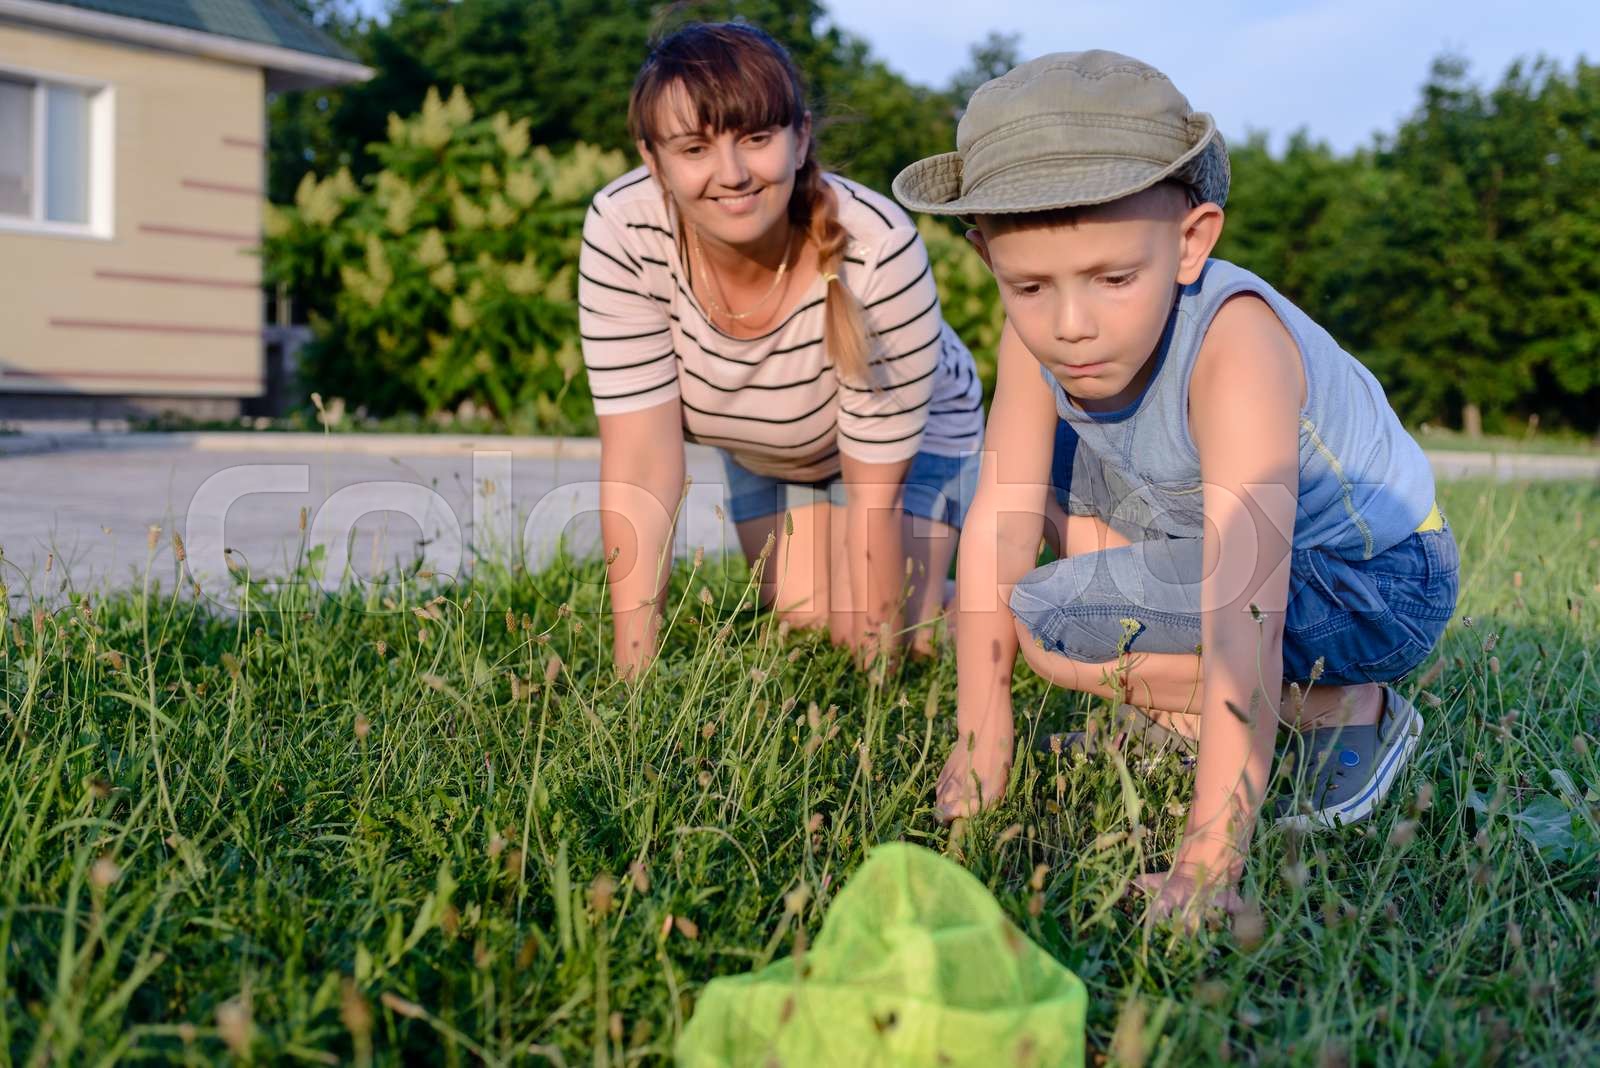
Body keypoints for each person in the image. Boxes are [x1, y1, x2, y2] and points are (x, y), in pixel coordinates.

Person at [892, 51, 1459, 918]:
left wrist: (1209, 861)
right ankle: (1196, 719)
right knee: (1013, 529)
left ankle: (1343, 706)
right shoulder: (1035, 339)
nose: (1071, 325)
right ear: (985, 255)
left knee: (1051, 626)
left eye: (1115, 279)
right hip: (1213, 544)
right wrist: (982, 734)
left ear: (1191, 240)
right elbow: (1001, 526)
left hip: (1373, 584)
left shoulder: (1236, 347)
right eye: (1030, 286)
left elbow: (1249, 608)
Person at [579, 22, 984, 675]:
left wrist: (874, 674)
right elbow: (639, 465)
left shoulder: (879, 248)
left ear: (801, 140)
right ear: (653, 162)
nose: (732, 174)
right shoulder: (622, 228)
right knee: (805, 615)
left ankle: (1022, 607)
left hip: (910, 443)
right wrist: (635, 675)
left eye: (757, 139)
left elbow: (872, 497)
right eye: (694, 149)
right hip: (768, 447)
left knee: (892, 631)